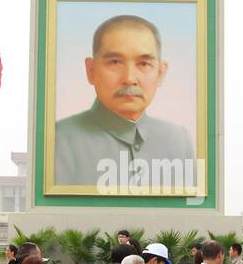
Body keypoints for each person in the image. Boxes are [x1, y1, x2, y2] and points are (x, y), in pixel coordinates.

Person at [53, 14, 195, 186]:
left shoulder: (178, 140)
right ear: (91, 70)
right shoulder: (58, 140)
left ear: (161, 73)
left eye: (143, 64)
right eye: (115, 62)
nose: (129, 78)